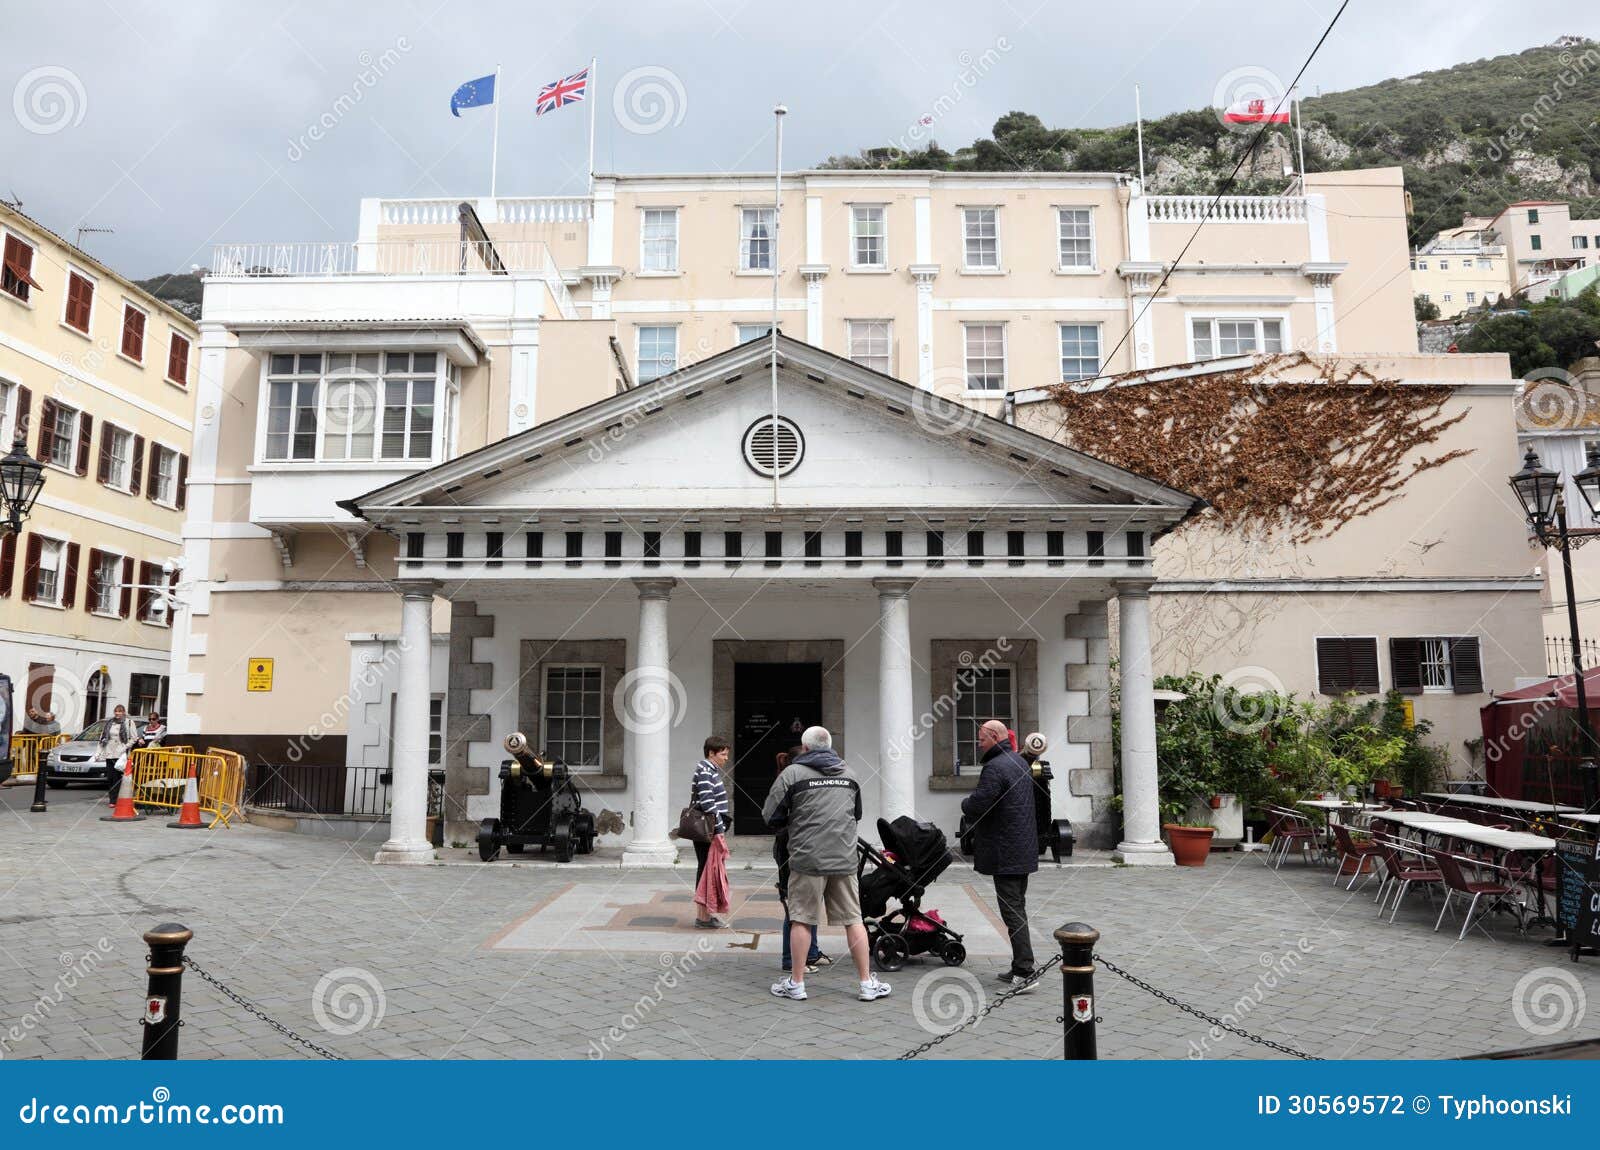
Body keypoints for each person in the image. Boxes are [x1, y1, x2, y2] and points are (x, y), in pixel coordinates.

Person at [762, 725, 889, 1003]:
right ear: (830, 746)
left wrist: (795, 824)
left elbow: (770, 815)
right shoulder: (850, 774)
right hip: (843, 858)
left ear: (805, 748)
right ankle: (867, 983)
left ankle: (796, 983)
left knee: (801, 920)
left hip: (807, 859)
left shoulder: (792, 774)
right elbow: (856, 814)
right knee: (853, 920)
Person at [961, 719, 1039, 990]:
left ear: (994, 737)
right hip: (1021, 849)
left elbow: (980, 803)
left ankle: (1025, 971)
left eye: (981, 739)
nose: (978, 744)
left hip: (1006, 852)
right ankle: (1020, 965)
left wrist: (965, 803)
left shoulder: (995, 766)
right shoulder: (1018, 762)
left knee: (1012, 911)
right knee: (1017, 907)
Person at [772, 745, 831, 974]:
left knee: (811, 902)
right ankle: (790, 959)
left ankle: (812, 952)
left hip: (806, 847)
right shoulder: (790, 783)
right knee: (796, 906)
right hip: (792, 848)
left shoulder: (798, 780)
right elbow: (775, 817)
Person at [691, 736, 732, 928]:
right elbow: (708, 804)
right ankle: (703, 917)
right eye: (723, 754)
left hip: (710, 828)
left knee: (708, 869)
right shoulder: (706, 771)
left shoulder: (708, 770)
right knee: (707, 870)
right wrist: (719, 830)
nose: (726, 758)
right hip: (708, 830)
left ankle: (705, 915)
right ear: (711, 753)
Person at [101, 705, 138, 804]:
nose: (118, 713)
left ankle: (115, 799)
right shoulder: (110, 722)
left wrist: (125, 747)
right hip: (109, 752)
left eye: (120, 711)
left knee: (117, 777)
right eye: (116, 711)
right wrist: (100, 751)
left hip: (121, 753)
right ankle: (112, 798)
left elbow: (134, 738)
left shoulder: (129, 722)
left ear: (124, 712)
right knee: (110, 777)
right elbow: (104, 736)